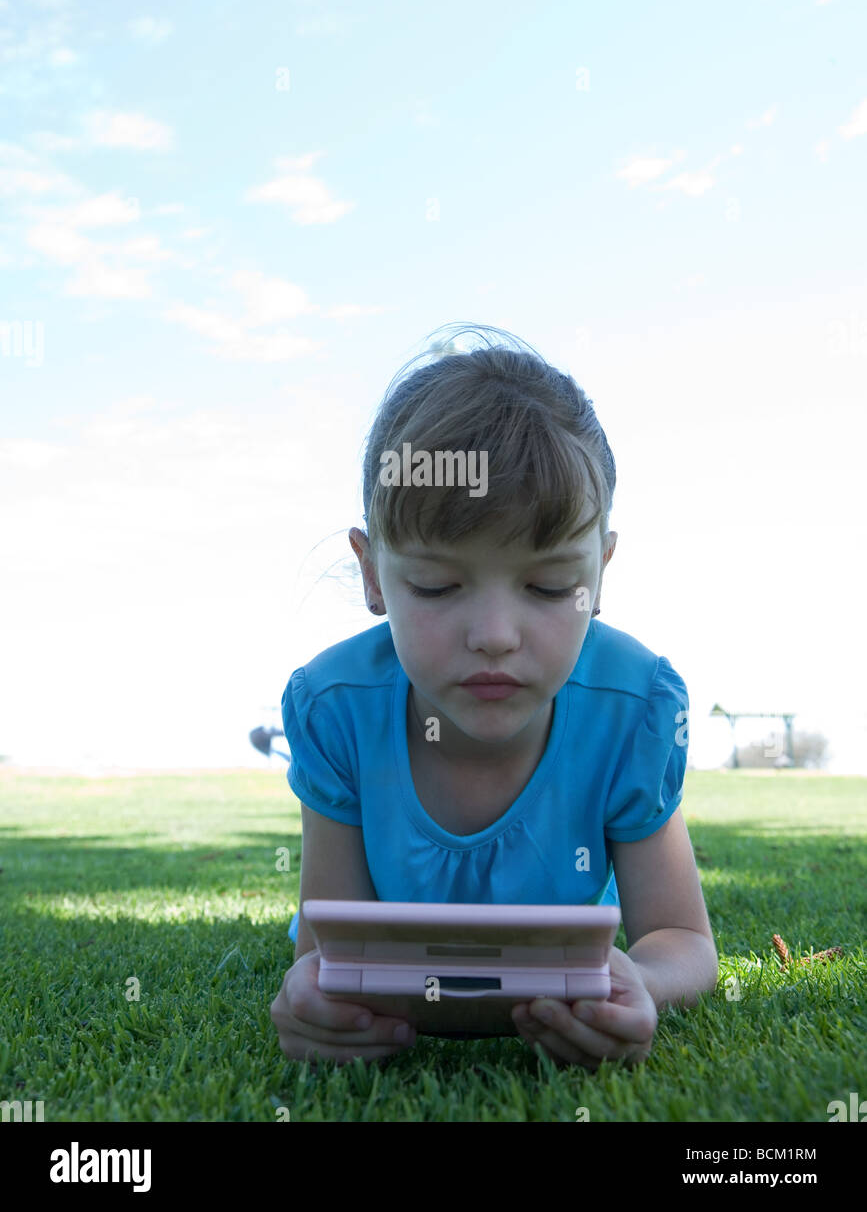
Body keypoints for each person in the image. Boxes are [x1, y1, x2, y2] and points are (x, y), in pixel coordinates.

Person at [270, 323, 718, 1068]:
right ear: (375, 574)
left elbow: (685, 941)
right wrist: (311, 1000)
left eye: (548, 586)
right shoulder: (337, 707)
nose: (495, 635)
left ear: (599, 575)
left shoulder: (630, 710)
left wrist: (639, 981)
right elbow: (324, 948)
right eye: (437, 585)